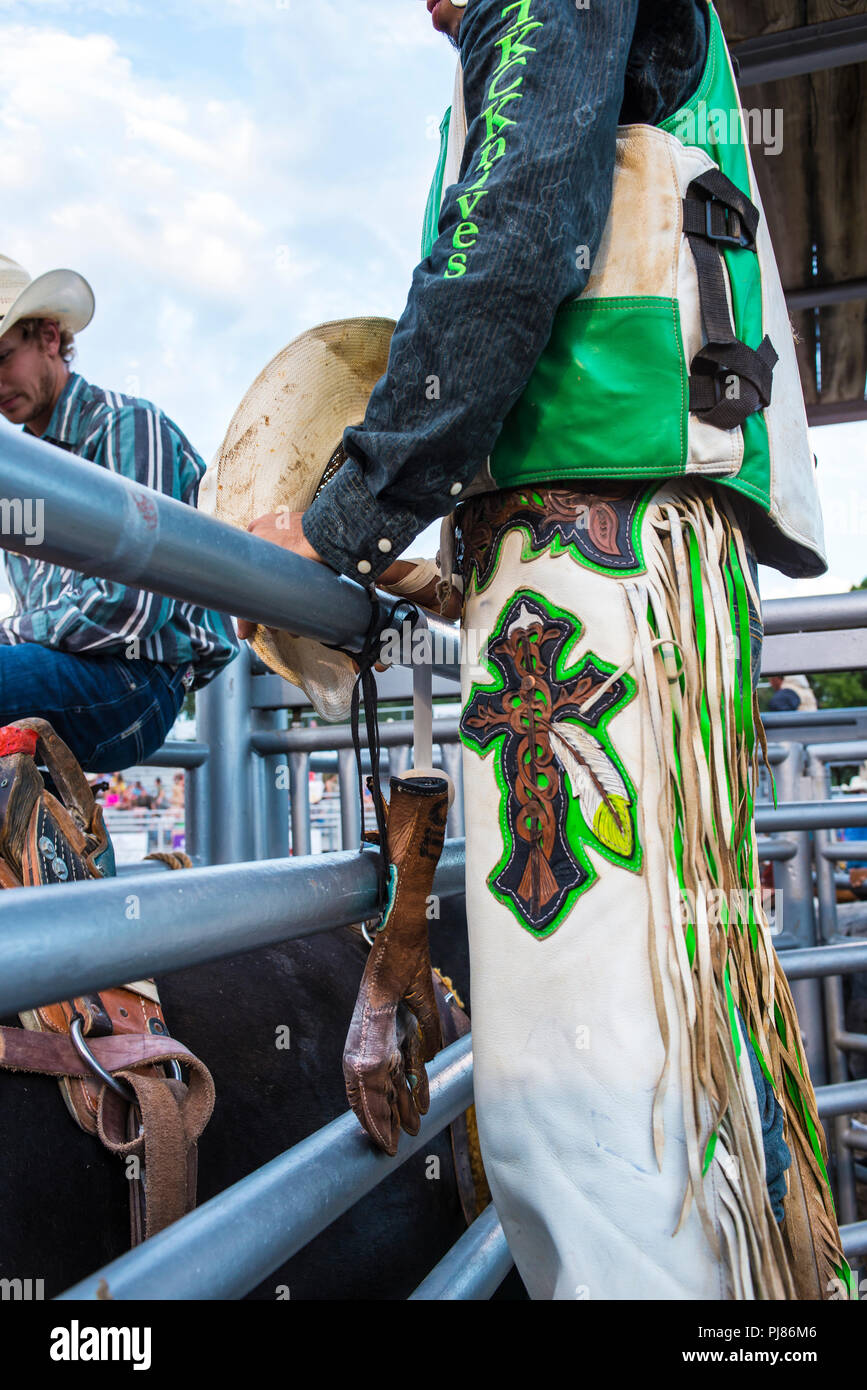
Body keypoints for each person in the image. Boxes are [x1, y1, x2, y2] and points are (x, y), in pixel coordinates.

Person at [239, 0, 843, 1299]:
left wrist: (346, 510)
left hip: (596, 570)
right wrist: (431, 558)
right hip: (612, 565)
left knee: (581, 1091)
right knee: (658, 1067)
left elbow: (517, 230)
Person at [0, 254, 239, 772]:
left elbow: (129, 608)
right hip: (74, 672)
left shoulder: (128, 426)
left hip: (138, 682)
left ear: (47, 336)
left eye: (1, 357)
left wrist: (13, 632)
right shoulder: (15, 468)